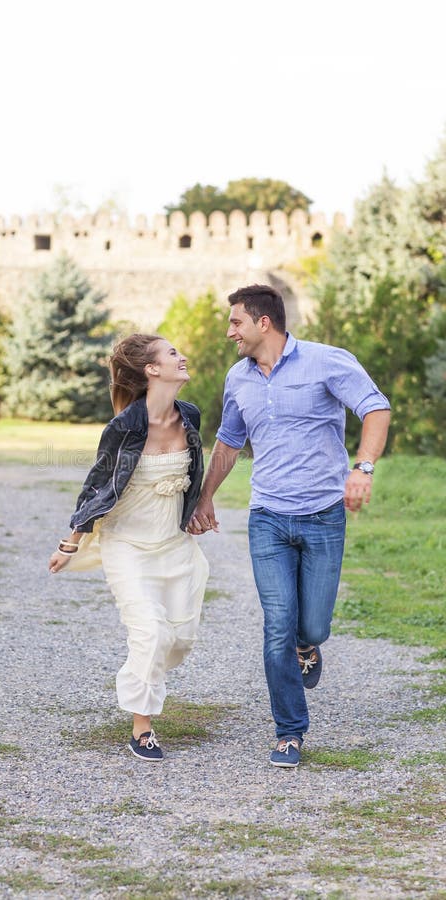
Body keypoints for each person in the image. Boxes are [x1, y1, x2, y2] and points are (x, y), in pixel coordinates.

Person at [188, 284, 390, 768]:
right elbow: (229, 442)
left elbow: (375, 407)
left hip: (323, 514)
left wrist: (361, 469)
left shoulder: (326, 361)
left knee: (312, 624)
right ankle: (289, 732)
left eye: (235, 321)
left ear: (264, 323)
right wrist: (206, 496)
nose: (228, 331)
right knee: (277, 624)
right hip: (268, 518)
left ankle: (309, 646)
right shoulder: (237, 378)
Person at [49, 333, 209, 761]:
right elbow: (98, 483)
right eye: (173, 353)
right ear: (152, 370)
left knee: (179, 638)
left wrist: (198, 508)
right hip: (127, 545)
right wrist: (72, 540)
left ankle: (150, 672)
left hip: (174, 544)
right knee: (151, 631)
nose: (183, 356)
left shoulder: (190, 416)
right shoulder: (123, 427)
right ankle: (142, 728)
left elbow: (194, 476)